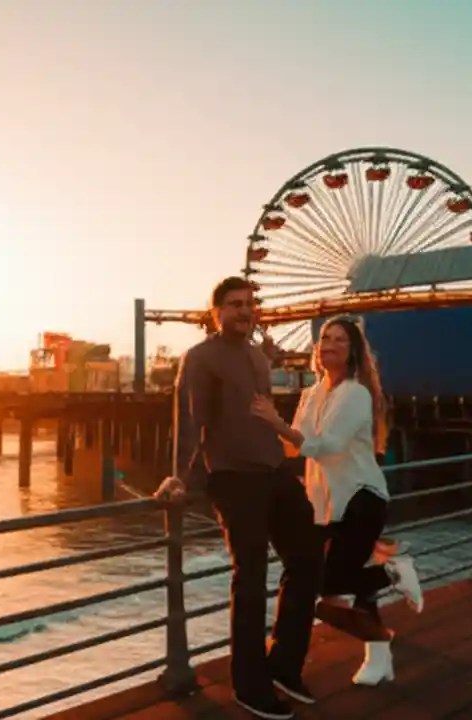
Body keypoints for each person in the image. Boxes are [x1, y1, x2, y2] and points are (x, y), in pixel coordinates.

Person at [155, 277, 321, 719]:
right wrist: (180, 476)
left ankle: (283, 664)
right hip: (232, 477)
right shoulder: (200, 357)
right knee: (250, 578)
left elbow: (262, 410)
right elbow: (190, 421)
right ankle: (250, 686)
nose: (244, 311)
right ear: (216, 313)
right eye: (234, 305)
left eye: (249, 304)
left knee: (307, 558)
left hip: (274, 471)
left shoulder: (255, 355)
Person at [250, 315, 424, 686]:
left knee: (332, 582)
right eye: (325, 338)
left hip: (361, 498)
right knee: (356, 586)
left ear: (354, 351)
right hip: (324, 503)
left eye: (340, 340)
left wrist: (279, 424)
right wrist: (268, 427)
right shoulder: (311, 394)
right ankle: (379, 657)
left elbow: (325, 446)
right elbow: (296, 444)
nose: (328, 344)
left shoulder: (357, 394)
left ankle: (395, 569)